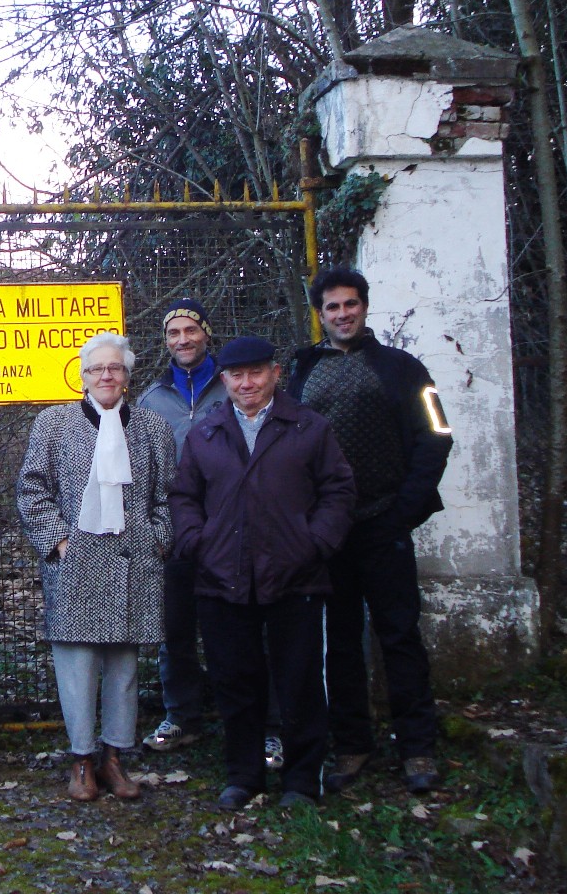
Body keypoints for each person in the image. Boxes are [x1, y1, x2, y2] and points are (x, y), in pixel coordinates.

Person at [287, 267, 454, 795]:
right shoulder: (302, 371)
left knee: (399, 635)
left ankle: (417, 747)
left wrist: (404, 509)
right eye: (332, 307)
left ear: (364, 306)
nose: (343, 314)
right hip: (327, 533)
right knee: (339, 642)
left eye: (350, 304)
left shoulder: (403, 368)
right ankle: (352, 744)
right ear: (320, 314)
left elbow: (438, 434)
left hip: (384, 523)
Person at [169, 336, 355, 809]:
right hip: (222, 578)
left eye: (256, 373)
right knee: (235, 682)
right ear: (224, 380)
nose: (246, 383)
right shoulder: (205, 434)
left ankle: (301, 781)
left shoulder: (308, 427)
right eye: (237, 375)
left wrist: (314, 543)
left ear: (275, 373)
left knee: (300, 681)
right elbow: (184, 497)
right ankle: (243, 776)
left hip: (296, 577)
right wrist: (198, 542)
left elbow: (338, 490)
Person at [17, 333, 174, 801]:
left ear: (127, 376)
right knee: (77, 665)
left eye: (115, 368)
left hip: (134, 563)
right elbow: (32, 490)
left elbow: (168, 495)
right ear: (82, 376)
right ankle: (82, 759)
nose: (106, 375)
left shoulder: (152, 427)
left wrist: (157, 541)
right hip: (76, 562)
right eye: (96, 369)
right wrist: (60, 543)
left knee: (124, 668)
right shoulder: (54, 423)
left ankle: (114, 758)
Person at [135, 298, 227, 754]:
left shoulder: (232, 385)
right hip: (173, 532)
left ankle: (249, 719)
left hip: (229, 529)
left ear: (206, 333)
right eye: (174, 333)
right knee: (175, 631)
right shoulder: (151, 399)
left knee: (235, 628)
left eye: (191, 330)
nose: (183, 339)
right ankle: (182, 717)